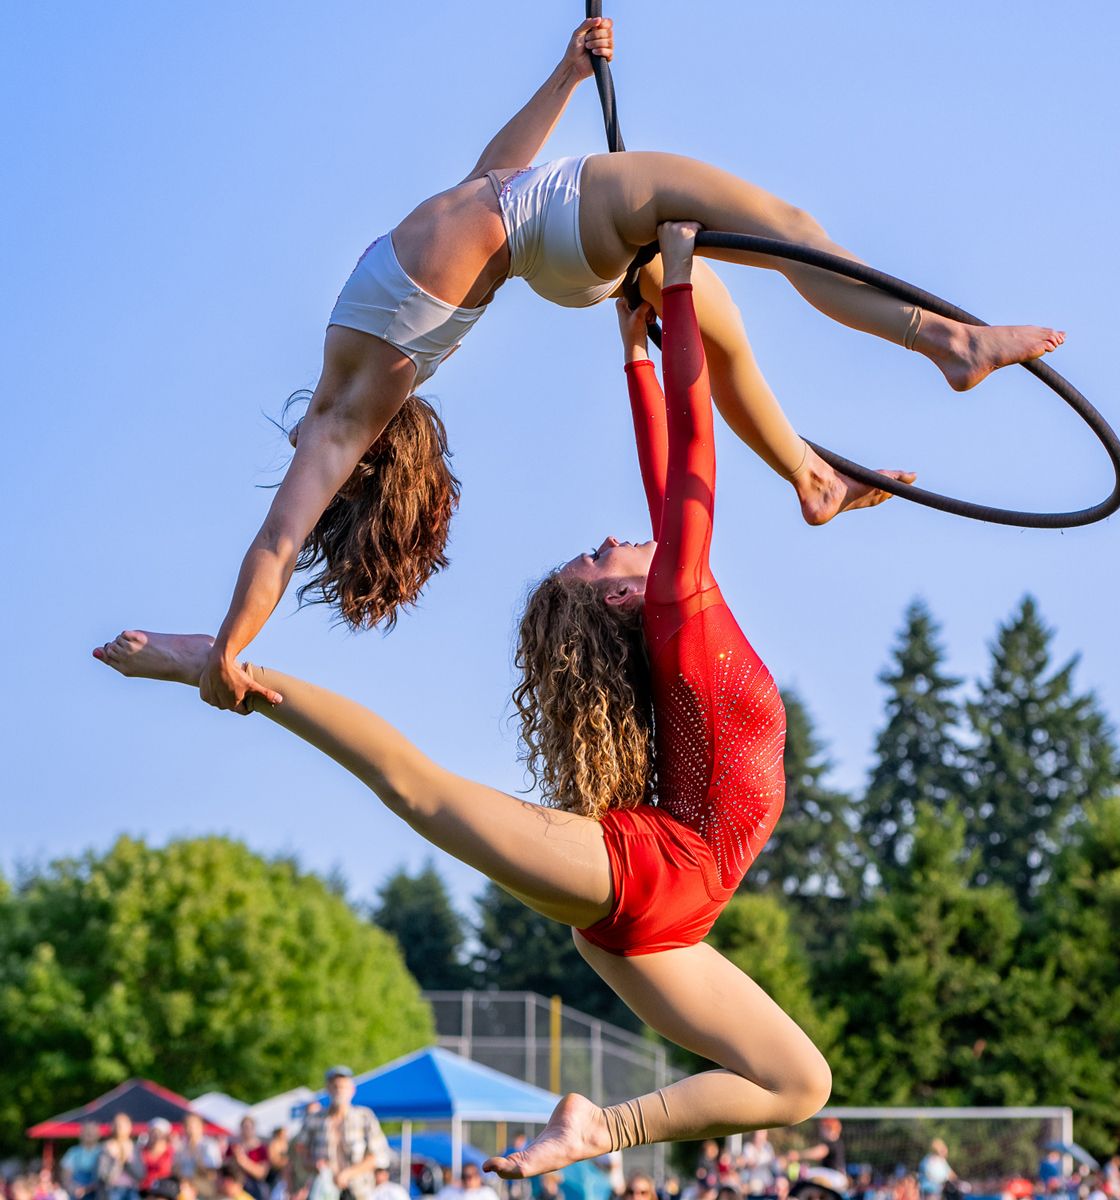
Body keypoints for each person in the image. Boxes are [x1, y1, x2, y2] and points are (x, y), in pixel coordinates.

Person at [98, 224, 906, 1173]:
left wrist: (632, 350)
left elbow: (665, 472)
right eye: (602, 555)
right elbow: (693, 462)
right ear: (618, 595)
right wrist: (676, 293)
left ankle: (603, 1127)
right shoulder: (678, 604)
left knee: (793, 1084)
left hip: (674, 913)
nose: (615, 537)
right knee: (418, 790)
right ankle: (219, 665)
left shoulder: (681, 606)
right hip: (657, 878)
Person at [183, 13, 1062, 716]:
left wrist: (565, 75)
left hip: (552, 238)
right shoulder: (350, 412)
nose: (293, 439)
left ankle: (810, 478)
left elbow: (480, 184)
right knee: (792, 232)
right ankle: (948, 342)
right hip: (567, 218)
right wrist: (225, 650)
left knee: (727, 341)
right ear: (359, 466)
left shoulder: (361, 351)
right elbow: (277, 540)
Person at [292, 1068, 388, 1200]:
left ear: (352, 1090)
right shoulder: (314, 1119)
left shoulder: (364, 1116)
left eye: (343, 1087)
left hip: (359, 1190)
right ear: (328, 1089)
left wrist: (348, 1174)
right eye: (335, 1086)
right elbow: (300, 1152)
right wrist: (314, 1164)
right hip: (324, 1190)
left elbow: (378, 1156)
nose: (339, 1091)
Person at [98, 1114, 143, 1200]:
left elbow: (140, 1175)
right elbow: (105, 1176)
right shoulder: (106, 1147)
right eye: (117, 1124)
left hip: (132, 1190)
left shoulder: (135, 1148)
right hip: (112, 1190)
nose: (119, 1128)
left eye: (122, 1125)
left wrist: (126, 1162)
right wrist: (116, 1160)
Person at [61, 1123, 104, 1200]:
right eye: (87, 1131)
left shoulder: (103, 1152)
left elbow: (105, 1176)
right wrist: (74, 1188)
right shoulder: (73, 1152)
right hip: (76, 1194)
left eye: (92, 1131)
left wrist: (89, 1188)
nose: (89, 1133)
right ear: (81, 1134)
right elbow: (66, 1176)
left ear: (98, 1134)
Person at [142, 1121, 177, 1193]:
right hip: (145, 1190)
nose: (156, 1136)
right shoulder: (142, 1151)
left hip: (166, 1190)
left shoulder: (172, 1152)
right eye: (154, 1133)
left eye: (159, 1133)